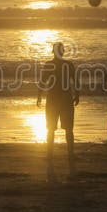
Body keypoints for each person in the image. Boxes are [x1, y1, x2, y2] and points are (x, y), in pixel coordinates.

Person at [37, 42, 79, 182]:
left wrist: (39, 96)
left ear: (53, 52)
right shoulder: (69, 64)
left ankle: (50, 155)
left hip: (54, 99)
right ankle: (70, 154)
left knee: (51, 129)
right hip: (65, 98)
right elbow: (75, 80)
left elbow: (43, 82)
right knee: (68, 129)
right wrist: (77, 94)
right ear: (62, 51)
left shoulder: (49, 64)